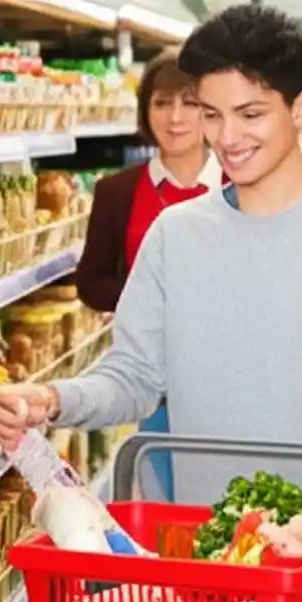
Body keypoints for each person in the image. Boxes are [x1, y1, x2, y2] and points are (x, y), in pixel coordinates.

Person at [0, 6, 302, 499]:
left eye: (250, 115)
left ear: (300, 108)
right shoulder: (176, 234)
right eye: (212, 115)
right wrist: (53, 399)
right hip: (203, 524)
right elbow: (134, 376)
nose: (227, 138)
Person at [73, 48, 222, 501]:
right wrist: (152, 294)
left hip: (228, 373)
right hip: (151, 380)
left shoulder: (241, 186)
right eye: (162, 102)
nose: (176, 117)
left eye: (190, 102)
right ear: (146, 111)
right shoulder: (118, 192)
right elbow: (92, 282)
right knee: (166, 505)